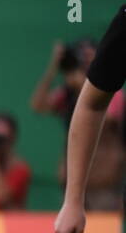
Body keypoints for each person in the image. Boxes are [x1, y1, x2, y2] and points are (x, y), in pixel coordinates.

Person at [55, 3, 126, 233]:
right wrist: (73, 201)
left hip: (109, 188)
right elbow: (91, 105)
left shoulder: (120, 103)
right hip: (93, 190)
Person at [31, 39, 125, 213]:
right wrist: (54, 67)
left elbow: (104, 118)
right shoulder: (68, 93)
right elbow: (38, 105)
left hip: (104, 188)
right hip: (73, 189)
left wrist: (85, 83)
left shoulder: (114, 93)